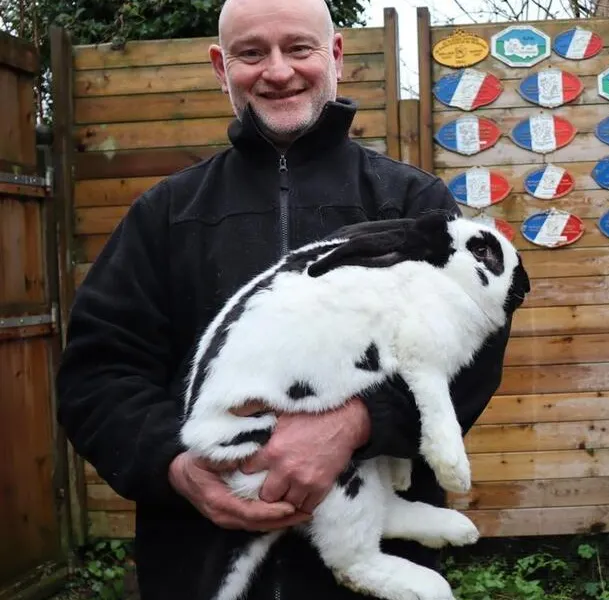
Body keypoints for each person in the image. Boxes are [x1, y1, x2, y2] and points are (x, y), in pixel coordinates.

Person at [54, 0, 511, 598]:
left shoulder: (409, 203)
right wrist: (175, 464)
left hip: (372, 560)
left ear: (336, 56)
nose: (276, 71)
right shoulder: (163, 215)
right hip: (200, 565)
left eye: (298, 48)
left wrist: (357, 423)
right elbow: (98, 373)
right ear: (221, 67)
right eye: (251, 53)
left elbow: (473, 353)